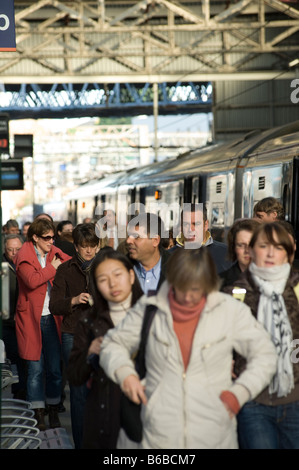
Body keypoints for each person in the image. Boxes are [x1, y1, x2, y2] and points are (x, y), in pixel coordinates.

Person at [100, 247, 277, 449]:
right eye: (181, 288)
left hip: (215, 436)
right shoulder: (150, 309)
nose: (187, 297)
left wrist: (241, 391)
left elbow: (265, 354)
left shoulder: (231, 311)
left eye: (196, 290)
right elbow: (112, 344)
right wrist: (125, 375)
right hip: (159, 437)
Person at [224, 222, 299, 449]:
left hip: (296, 399)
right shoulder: (235, 292)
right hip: (253, 400)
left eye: (277, 247)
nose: (269, 253)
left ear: (289, 253)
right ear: (252, 249)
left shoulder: (297, 288)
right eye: (263, 246)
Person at [67, 248, 144, 449]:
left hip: (146, 415)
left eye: (118, 275)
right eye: (103, 279)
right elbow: (74, 376)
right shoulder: (89, 321)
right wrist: (89, 353)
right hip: (104, 416)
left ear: (131, 276)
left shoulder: (152, 313)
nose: (112, 284)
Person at [14, 218, 71, 431]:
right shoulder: (24, 255)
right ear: (35, 238)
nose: (51, 240)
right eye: (47, 237)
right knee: (36, 370)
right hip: (32, 318)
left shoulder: (53, 251)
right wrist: (53, 267)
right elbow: (31, 280)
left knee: (55, 369)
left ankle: (54, 408)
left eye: (53, 237)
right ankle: (38, 414)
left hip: (52, 317)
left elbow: (71, 264)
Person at [49, 222, 100, 448]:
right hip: (73, 333)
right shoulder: (65, 269)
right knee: (78, 394)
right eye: (84, 246)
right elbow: (54, 306)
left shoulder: (105, 267)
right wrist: (73, 300)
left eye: (93, 245)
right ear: (76, 247)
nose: (89, 250)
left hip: (100, 333)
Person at [170, 203, 231, 273]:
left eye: (195, 224)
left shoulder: (225, 253)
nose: (190, 229)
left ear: (206, 225)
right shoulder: (169, 257)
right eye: (186, 224)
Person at [2, 234, 27, 399]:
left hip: (24, 320)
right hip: (6, 321)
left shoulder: (27, 264)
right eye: (10, 250)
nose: (14, 253)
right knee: (12, 356)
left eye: (17, 249)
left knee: (23, 359)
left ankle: (21, 393)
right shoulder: (3, 266)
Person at [125, 212, 170, 295]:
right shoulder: (122, 267)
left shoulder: (178, 269)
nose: (128, 241)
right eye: (129, 236)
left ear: (155, 240)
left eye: (136, 236)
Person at [219, 218, 259, 289]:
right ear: (233, 247)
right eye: (241, 245)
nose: (247, 250)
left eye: (252, 245)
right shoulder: (219, 283)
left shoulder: (275, 280)